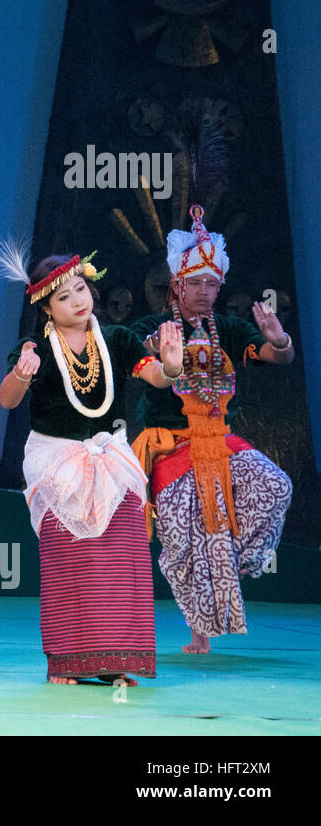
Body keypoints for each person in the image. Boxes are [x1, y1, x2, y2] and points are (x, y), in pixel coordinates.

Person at [0, 244, 182, 685]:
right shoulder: (35, 347)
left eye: (81, 289)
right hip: (56, 460)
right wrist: (23, 372)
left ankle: (119, 660)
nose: (78, 300)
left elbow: (151, 373)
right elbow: (7, 399)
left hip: (110, 455)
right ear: (46, 308)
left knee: (123, 553)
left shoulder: (116, 338)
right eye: (64, 297)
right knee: (71, 560)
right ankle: (69, 662)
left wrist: (171, 367)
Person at [130, 205, 294, 654]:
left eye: (212, 284)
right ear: (177, 285)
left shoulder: (230, 328)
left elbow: (276, 355)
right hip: (171, 446)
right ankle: (198, 632)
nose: (205, 292)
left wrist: (279, 340)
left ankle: (238, 564)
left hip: (221, 439)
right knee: (191, 536)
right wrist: (161, 358)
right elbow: (140, 359)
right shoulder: (152, 327)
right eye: (196, 283)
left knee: (275, 486)